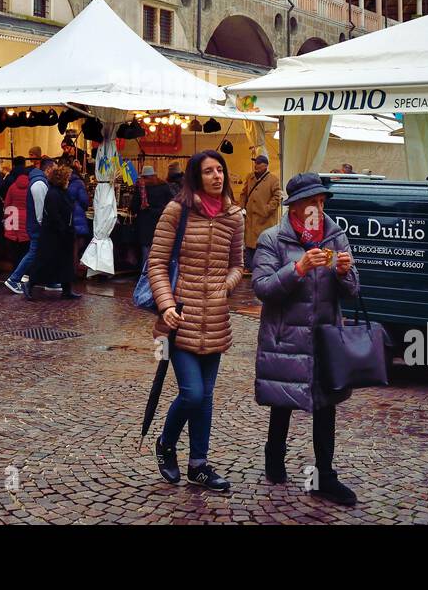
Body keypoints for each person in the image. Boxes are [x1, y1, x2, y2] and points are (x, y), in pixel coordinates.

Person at [251, 172, 362, 507]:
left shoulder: (335, 235)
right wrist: (297, 269)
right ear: (295, 207)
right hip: (286, 336)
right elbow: (262, 289)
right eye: (311, 202)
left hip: (325, 336)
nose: (318, 206)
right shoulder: (273, 239)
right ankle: (274, 457)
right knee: (283, 401)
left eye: (322, 200)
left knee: (325, 405)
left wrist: (345, 273)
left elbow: (354, 289)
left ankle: (325, 476)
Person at [150, 150, 244, 492]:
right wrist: (165, 305)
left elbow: (238, 263)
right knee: (192, 394)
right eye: (208, 171)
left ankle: (199, 465)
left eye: (220, 170)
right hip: (178, 321)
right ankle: (166, 443)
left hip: (216, 320)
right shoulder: (178, 211)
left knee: (205, 397)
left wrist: (227, 286)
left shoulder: (235, 216)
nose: (217, 176)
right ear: (195, 177)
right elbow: (157, 263)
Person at [27, 165, 79, 299]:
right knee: (46, 262)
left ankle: (67, 289)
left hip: (62, 234)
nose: (69, 181)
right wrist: (64, 229)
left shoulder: (61, 192)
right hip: (54, 235)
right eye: (67, 178)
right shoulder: (54, 194)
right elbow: (54, 215)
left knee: (64, 263)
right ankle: (30, 284)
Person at [4, 157, 55, 295]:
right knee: (34, 253)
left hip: (33, 224)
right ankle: (14, 279)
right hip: (37, 226)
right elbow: (41, 208)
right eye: (54, 170)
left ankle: (50, 280)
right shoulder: (40, 184)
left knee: (42, 252)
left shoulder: (37, 181)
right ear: (48, 169)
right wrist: (43, 224)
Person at [130, 165, 177, 270]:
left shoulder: (141, 188)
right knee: (160, 250)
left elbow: (133, 207)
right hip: (161, 221)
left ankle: (145, 275)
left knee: (146, 251)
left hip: (145, 223)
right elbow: (171, 202)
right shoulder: (164, 186)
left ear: (144, 177)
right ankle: (160, 273)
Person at [240, 154, 283, 268]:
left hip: (265, 219)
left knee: (262, 244)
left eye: (259, 163)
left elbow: (278, 196)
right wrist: (242, 207)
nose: (256, 166)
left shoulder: (273, 179)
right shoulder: (250, 177)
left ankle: (262, 266)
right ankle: (249, 267)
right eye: (256, 163)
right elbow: (244, 193)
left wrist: (267, 209)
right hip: (250, 218)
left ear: (265, 166)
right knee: (249, 244)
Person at [3, 164, 30, 267]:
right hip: (26, 217)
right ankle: (23, 270)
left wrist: (6, 218)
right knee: (25, 247)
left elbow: (7, 204)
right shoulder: (30, 187)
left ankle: (15, 268)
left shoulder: (12, 187)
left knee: (13, 246)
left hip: (13, 217)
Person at [68, 161, 91, 270]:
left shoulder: (63, 181)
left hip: (67, 216)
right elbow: (85, 201)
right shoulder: (79, 183)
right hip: (78, 216)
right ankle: (75, 269)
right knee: (77, 245)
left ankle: (72, 269)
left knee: (72, 245)